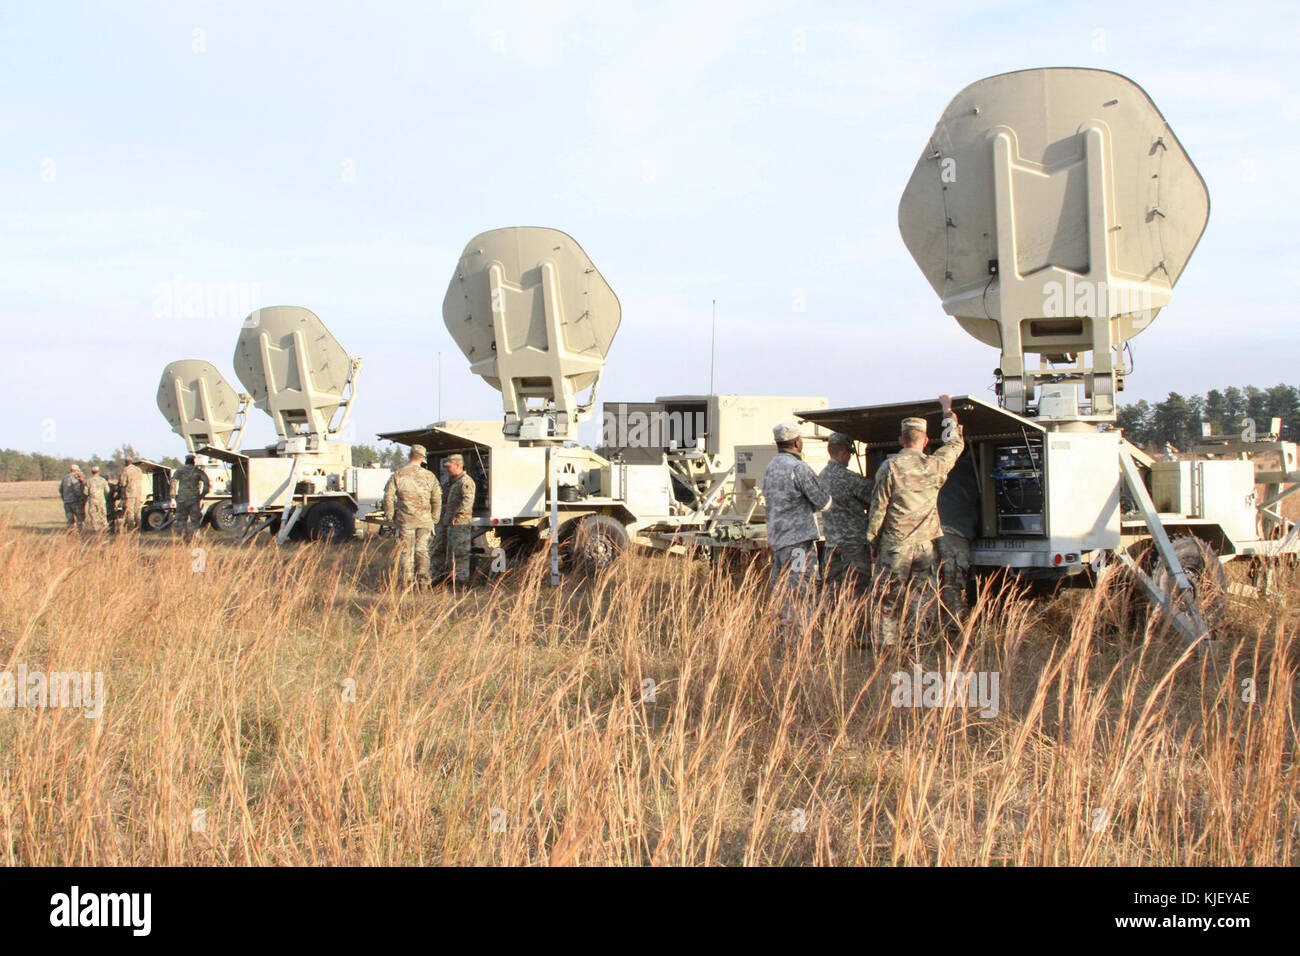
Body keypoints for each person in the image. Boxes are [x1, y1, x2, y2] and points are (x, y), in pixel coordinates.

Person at [866, 395, 964, 646]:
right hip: (924, 546)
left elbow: (878, 508)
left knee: (888, 599)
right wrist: (947, 411)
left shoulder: (890, 467)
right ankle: (915, 644)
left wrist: (873, 542)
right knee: (920, 598)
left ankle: (887, 646)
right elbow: (954, 444)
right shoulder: (935, 465)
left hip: (895, 544)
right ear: (926, 441)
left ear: (901, 439)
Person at [761, 423, 831, 619]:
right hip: (799, 546)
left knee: (781, 590)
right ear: (797, 443)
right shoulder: (798, 468)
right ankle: (797, 640)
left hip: (779, 542)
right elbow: (823, 501)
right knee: (799, 589)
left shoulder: (770, 468)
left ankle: (782, 633)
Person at [818, 432, 873, 598]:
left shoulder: (821, 477)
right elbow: (875, 496)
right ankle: (855, 624)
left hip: (831, 546)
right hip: (853, 547)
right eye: (849, 454)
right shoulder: (848, 478)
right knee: (857, 592)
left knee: (832, 593)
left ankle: (835, 624)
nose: (849, 458)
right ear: (843, 453)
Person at [382, 444, 442, 588]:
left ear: (409, 456)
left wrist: (390, 516)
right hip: (425, 521)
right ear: (423, 458)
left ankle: (407, 584)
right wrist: (434, 518)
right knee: (422, 550)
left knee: (406, 552)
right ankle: (423, 584)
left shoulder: (398, 474)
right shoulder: (430, 476)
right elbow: (437, 498)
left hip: (405, 521)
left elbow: (388, 497)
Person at [937, 452, 981, 633]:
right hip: (955, 536)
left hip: (932, 533)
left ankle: (927, 627)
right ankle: (953, 630)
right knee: (952, 584)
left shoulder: (938, 467)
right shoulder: (973, 470)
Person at [431, 453, 476, 586]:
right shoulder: (450, 482)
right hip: (447, 523)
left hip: (459, 524)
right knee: (442, 551)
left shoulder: (466, 482)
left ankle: (460, 583)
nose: (447, 469)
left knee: (459, 553)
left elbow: (467, 501)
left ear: (458, 465)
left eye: (449, 467)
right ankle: (440, 579)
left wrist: (457, 515)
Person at [169, 455, 211, 542]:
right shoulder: (198, 471)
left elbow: (173, 482)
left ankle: (183, 537)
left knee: (181, 519)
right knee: (195, 519)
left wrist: (173, 495)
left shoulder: (179, 471)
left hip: (182, 499)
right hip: (194, 499)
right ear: (193, 461)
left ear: (186, 461)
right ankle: (195, 537)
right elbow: (206, 483)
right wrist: (202, 494)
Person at [118, 458, 145, 532]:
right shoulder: (138, 470)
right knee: (137, 511)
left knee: (129, 511)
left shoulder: (125, 470)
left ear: (126, 462)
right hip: (138, 493)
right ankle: (139, 527)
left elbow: (123, 483)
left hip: (129, 494)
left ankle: (131, 528)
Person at [83, 466, 111, 532]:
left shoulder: (88, 481)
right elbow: (107, 490)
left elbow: (85, 492)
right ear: (98, 471)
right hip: (101, 500)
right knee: (103, 514)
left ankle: (96, 529)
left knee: (93, 516)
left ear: (92, 472)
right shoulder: (103, 480)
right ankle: (104, 529)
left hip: (92, 501)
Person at [59, 465, 87, 530]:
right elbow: (77, 489)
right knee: (80, 519)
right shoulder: (75, 477)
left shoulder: (65, 478)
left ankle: (70, 534)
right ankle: (81, 534)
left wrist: (64, 498)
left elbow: (60, 489)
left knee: (70, 520)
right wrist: (82, 498)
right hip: (75, 502)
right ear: (76, 470)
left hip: (67, 502)